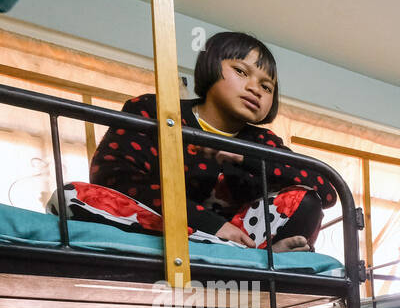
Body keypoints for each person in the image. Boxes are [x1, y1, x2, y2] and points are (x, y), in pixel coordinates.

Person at [72, 31, 336, 251]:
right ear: (210, 66)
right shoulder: (153, 110)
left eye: (267, 87)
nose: (255, 88)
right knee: (74, 195)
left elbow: (325, 190)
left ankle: (261, 255)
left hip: (243, 237)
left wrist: (248, 158)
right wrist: (210, 225)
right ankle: (250, 255)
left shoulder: (263, 142)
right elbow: (113, 177)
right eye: (241, 71)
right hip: (167, 226)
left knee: (306, 199)